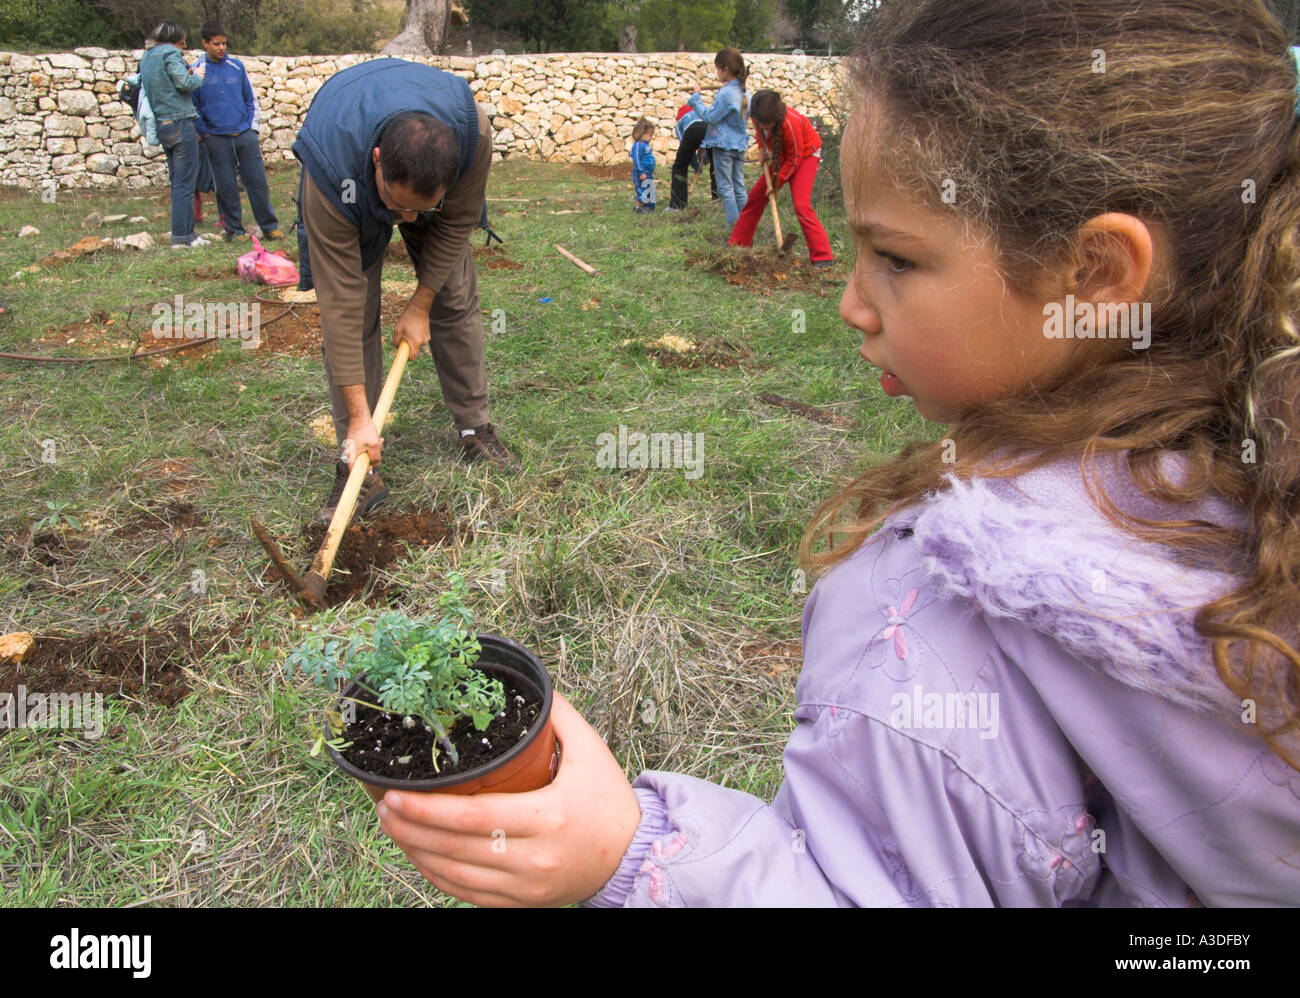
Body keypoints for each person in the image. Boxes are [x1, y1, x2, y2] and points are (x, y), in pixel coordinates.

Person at [374, 0, 1300, 907]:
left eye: (895, 259)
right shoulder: (1254, 483)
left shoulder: (949, 635)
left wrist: (628, 854)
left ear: (1094, 277)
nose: (854, 305)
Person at [292, 58, 517, 525]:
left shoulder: (472, 137)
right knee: (357, 316)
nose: (405, 222)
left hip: (419, 172)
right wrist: (359, 415)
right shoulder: (330, 169)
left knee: (453, 295)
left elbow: (455, 223)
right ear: (378, 161)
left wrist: (421, 303)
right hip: (347, 183)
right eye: (397, 205)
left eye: (421, 209)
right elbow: (340, 307)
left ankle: (475, 427)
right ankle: (357, 456)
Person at [190, 21, 283, 243]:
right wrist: (205, 134)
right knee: (226, 186)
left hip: (243, 135)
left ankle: (269, 226)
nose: (221, 48)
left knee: (257, 182)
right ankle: (235, 230)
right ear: (205, 43)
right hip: (216, 137)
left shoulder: (236, 66)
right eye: (216, 44)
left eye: (224, 43)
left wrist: (252, 130)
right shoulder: (196, 70)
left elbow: (249, 99)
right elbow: (193, 106)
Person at [728, 90, 833, 268]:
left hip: (806, 154)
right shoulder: (758, 114)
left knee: (801, 205)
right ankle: (738, 243)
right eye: (762, 124)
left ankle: (823, 256)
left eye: (769, 125)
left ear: (776, 118)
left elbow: (795, 159)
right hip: (784, 153)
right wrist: (761, 148)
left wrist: (777, 183)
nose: (764, 127)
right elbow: (762, 135)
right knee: (755, 198)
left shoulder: (791, 124)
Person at [138, 21, 208, 249]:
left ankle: (184, 233)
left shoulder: (147, 58)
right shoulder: (169, 53)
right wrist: (198, 75)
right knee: (186, 182)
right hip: (180, 121)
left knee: (178, 181)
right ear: (176, 38)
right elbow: (185, 83)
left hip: (163, 124)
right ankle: (183, 236)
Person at [686, 48, 749, 229]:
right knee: (739, 187)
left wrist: (696, 98)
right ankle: (746, 226)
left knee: (726, 188)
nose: (717, 73)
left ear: (726, 69)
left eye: (718, 69)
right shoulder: (745, 92)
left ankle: (734, 227)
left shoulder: (726, 94)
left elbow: (709, 117)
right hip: (739, 145)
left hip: (724, 146)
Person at [666, 103, 716, 211]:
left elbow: (687, 152)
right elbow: (709, 145)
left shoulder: (680, 122)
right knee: (716, 166)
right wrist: (705, 158)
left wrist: (695, 166)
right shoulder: (703, 113)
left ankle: (677, 205)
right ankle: (719, 201)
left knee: (679, 166)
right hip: (711, 127)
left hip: (692, 130)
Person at [629, 118, 656, 213]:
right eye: (649, 135)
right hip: (641, 171)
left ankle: (649, 206)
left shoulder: (646, 145)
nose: (650, 137)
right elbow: (636, 159)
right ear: (642, 134)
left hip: (648, 171)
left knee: (649, 188)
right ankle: (639, 207)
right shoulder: (638, 145)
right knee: (641, 188)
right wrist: (641, 171)